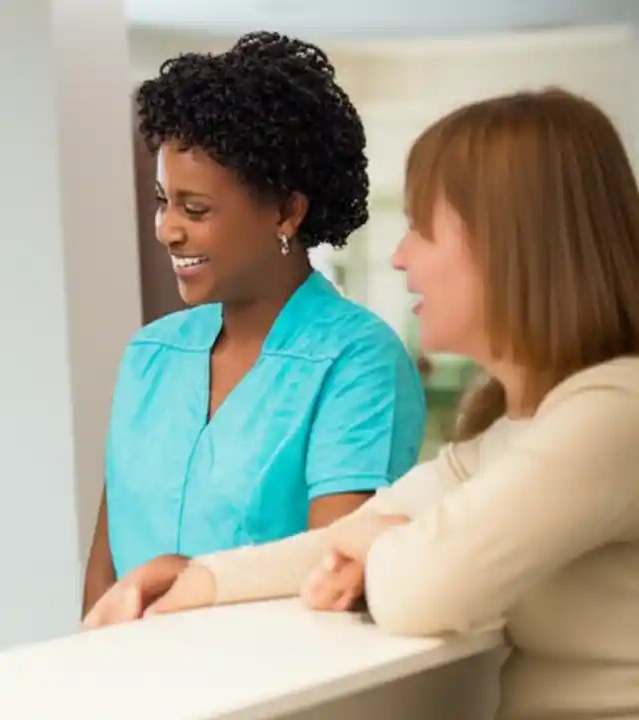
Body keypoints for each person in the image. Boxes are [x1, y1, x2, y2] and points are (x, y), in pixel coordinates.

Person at [85, 88, 639, 719]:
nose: (402, 258)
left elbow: (424, 588)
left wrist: (382, 547)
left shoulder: (615, 415)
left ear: (514, 247)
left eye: (423, 230)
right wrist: (200, 580)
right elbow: (341, 542)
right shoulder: (510, 434)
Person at [82, 31, 426, 615]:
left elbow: (332, 579)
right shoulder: (150, 354)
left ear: (287, 211)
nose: (167, 229)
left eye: (195, 209)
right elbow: (104, 572)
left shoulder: (356, 360)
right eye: (163, 201)